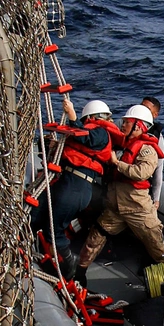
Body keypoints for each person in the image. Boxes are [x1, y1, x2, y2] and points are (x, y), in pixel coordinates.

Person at [77, 104, 164, 273]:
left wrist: (116, 164)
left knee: (157, 246)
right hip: (116, 207)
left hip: (137, 207)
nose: (122, 125)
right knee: (95, 238)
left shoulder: (147, 149)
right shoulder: (122, 146)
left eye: (127, 122)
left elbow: (143, 172)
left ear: (139, 125)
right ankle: (80, 271)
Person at [32, 99, 119, 279]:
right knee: (36, 216)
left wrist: (72, 115)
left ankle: (69, 269)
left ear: (92, 117)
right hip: (67, 182)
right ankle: (34, 250)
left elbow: (86, 137)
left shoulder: (101, 133)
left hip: (77, 187)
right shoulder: (87, 134)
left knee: (53, 230)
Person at [141, 96, 164, 208]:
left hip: (140, 185)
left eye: (147, 109)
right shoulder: (123, 125)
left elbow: (158, 169)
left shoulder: (157, 137)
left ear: (155, 115)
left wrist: (156, 199)